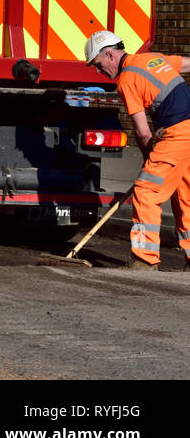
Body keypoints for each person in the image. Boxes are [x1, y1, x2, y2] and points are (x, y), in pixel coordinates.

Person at [85, 30, 190, 270]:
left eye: (99, 65)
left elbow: (143, 132)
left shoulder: (127, 80)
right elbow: (186, 64)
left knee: (145, 192)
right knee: (186, 197)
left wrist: (148, 158)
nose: (99, 72)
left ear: (110, 54)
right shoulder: (154, 59)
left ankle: (144, 260)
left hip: (177, 135)